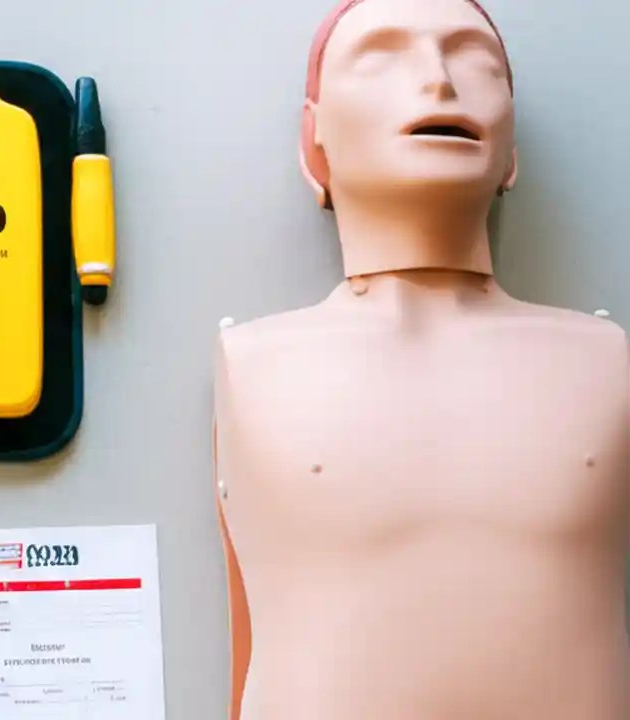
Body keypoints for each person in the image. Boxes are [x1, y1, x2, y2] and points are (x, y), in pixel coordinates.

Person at [213, 0, 630, 718]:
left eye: (476, 59)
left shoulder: (605, 357)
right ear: (315, 147)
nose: (438, 80)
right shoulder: (251, 362)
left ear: (512, 155)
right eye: (381, 58)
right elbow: (249, 634)